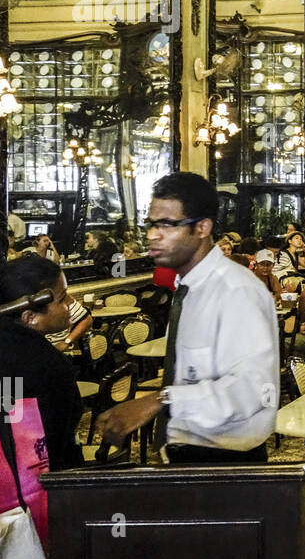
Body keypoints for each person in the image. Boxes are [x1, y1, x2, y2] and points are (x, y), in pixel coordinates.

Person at [96, 171, 279, 463]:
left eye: (167, 225)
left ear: (202, 227)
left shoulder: (235, 290)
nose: (152, 235)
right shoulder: (190, 289)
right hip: (186, 453)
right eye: (151, 224)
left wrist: (159, 401)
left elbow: (253, 390)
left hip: (225, 462)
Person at [0, 255, 84, 471]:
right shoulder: (51, 365)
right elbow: (56, 443)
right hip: (39, 485)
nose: (70, 304)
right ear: (30, 317)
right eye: (62, 298)